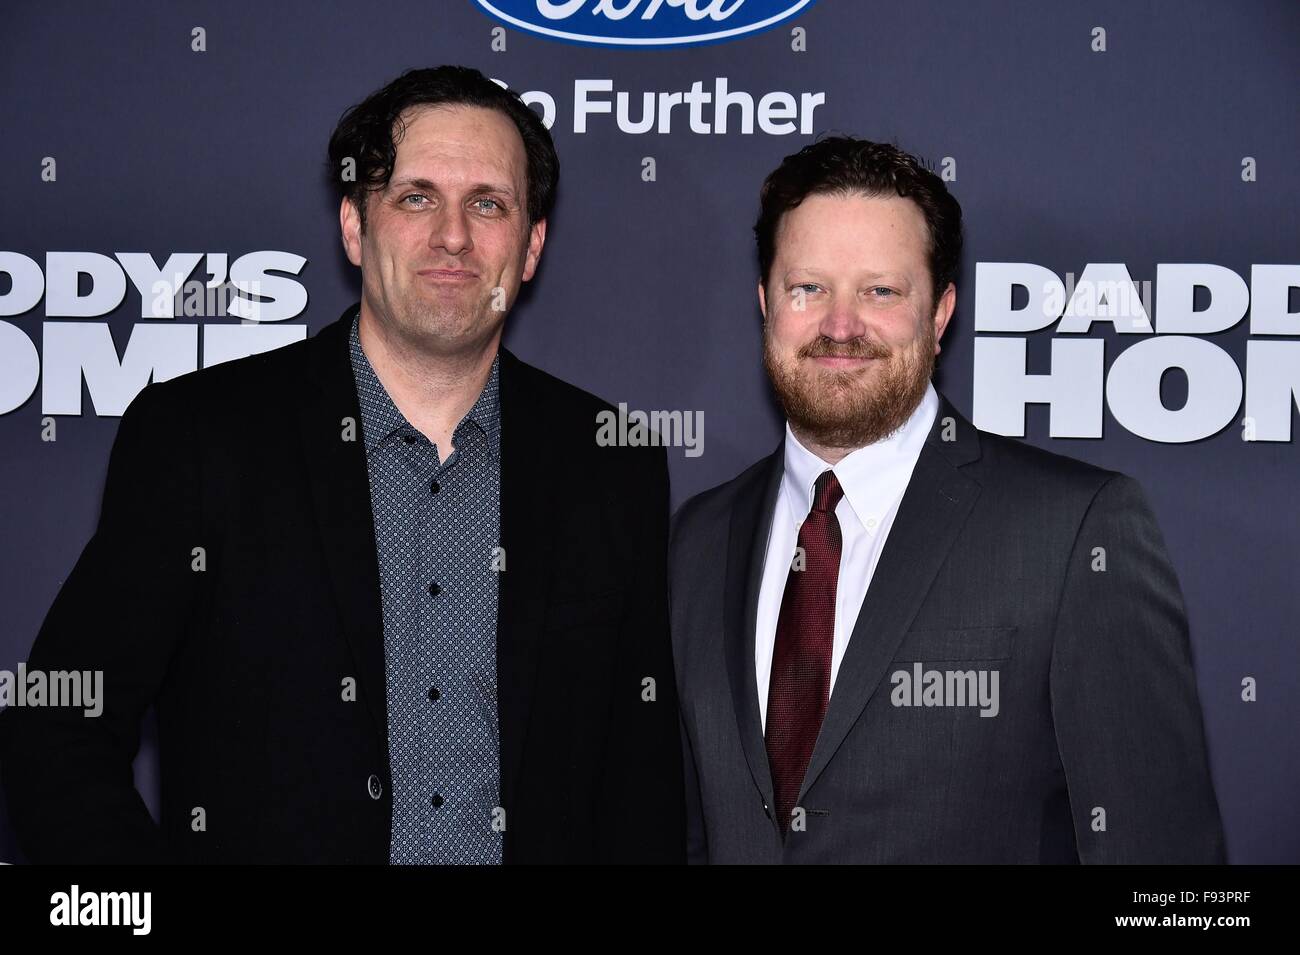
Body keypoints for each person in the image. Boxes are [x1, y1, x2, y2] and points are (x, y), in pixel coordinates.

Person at [0, 65, 684, 864]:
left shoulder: (610, 458)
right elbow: (58, 725)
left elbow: (640, 787)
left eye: (488, 204)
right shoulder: (202, 437)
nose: (454, 236)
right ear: (356, 227)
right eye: (416, 197)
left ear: (530, 246)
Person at [669, 136, 1225, 863]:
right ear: (766, 301)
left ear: (940, 314)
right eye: (809, 287)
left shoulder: (1073, 532)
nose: (841, 326)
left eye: (881, 291)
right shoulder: (698, 540)